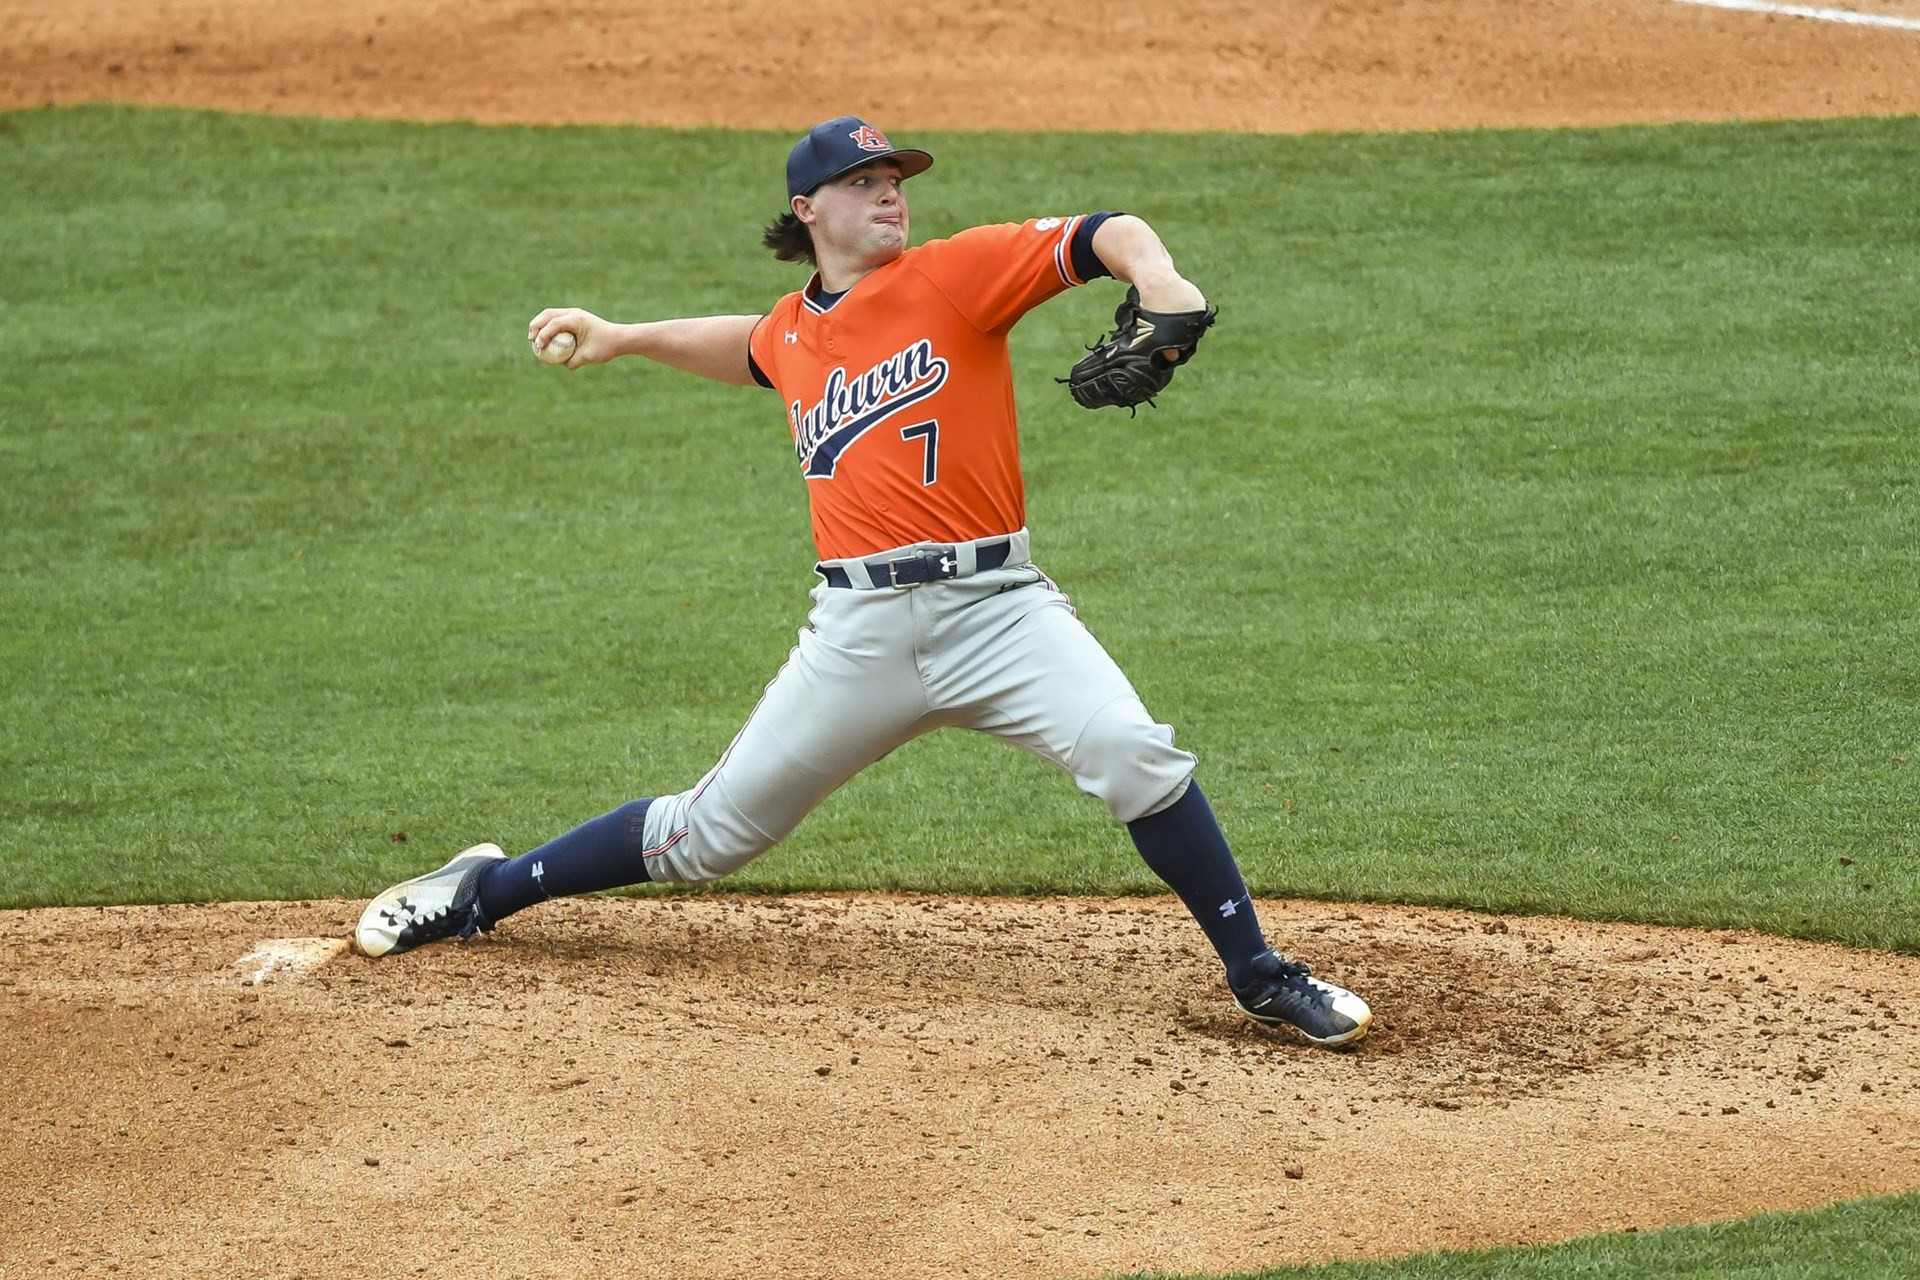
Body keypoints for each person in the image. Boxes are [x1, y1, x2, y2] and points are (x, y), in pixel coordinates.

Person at [355, 116, 1372, 1047]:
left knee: (1128, 748)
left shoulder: (957, 273)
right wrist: (624, 336)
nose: (890, 193)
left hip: (999, 611)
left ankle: (1259, 971)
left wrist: (1166, 287)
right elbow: (748, 345)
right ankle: (480, 890)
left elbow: (1111, 229)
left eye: (895, 177)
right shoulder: (795, 331)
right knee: (702, 836)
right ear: (809, 209)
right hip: (859, 632)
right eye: (862, 179)